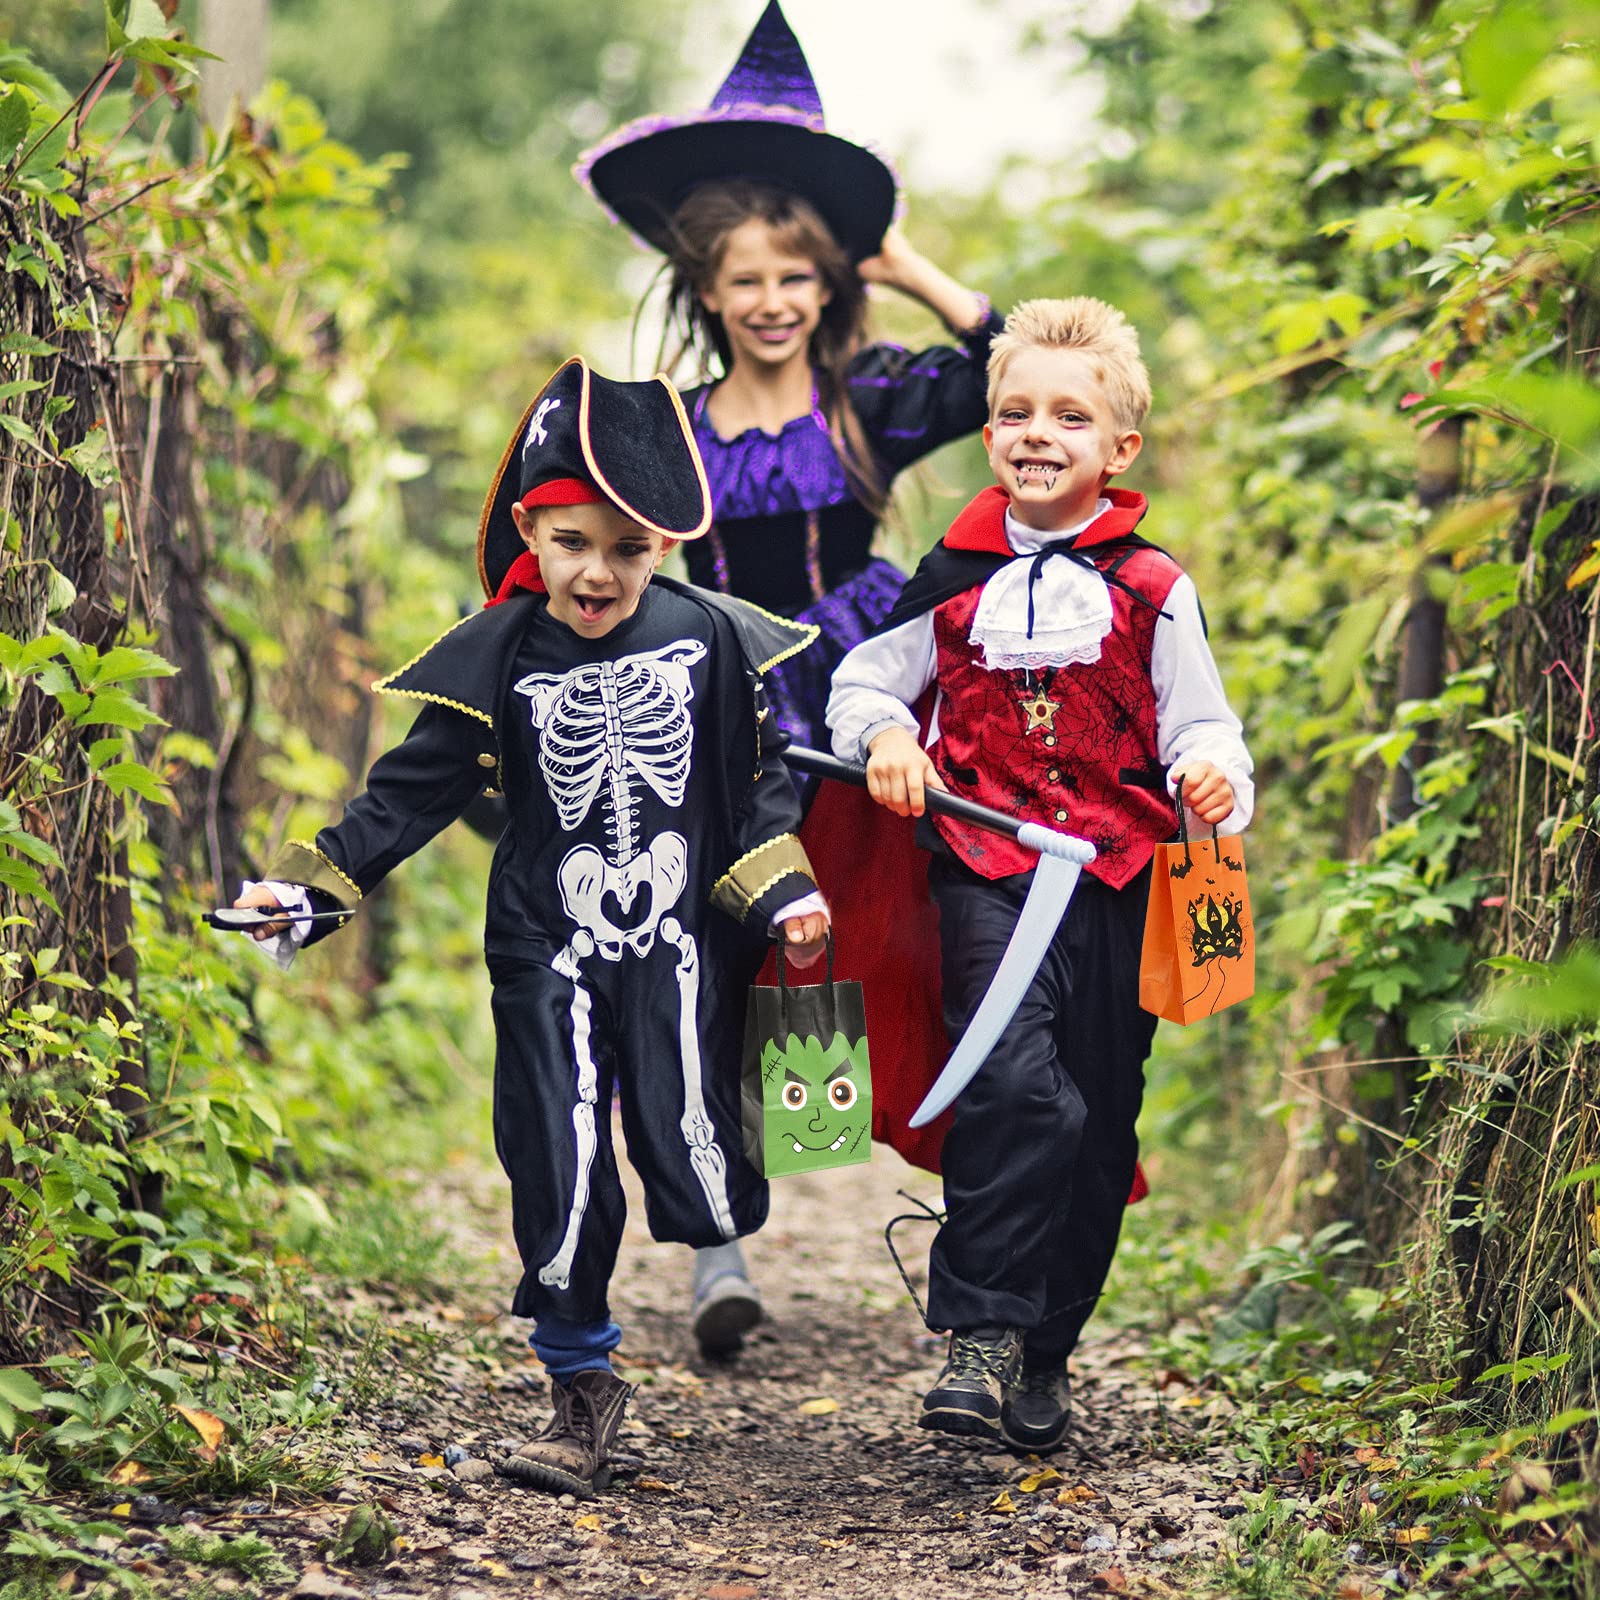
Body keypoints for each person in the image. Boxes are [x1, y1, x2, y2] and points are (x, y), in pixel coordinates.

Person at [232, 356, 829, 1496]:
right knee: (554, 1144)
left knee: (685, 1127)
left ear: (665, 546)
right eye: (570, 543)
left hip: (679, 933)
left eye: (627, 547)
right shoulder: (496, 655)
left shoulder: (711, 641)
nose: (596, 573)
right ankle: (580, 1382)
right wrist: (306, 892)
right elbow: (408, 793)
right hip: (543, 938)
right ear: (527, 530)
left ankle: (710, 1252)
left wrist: (786, 891)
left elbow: (757, 788)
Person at [579, 0, 999, 1352]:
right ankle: (716, 1245)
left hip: (863, 697)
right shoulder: (673, 429)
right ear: (707, 289)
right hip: (715, 713)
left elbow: (1014, 376)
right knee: (695, 958)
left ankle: (981, 1216)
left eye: (796, 278)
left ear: (829, 286)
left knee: (905, 954)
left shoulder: (870, 400)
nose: (771, 303)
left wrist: (911, 263)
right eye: (746, 280)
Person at [825, 298, 1254, 1453]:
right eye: (1014, 411)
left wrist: (1213, 778)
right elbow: (865, 683)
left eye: (1069, 414)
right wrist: (886, 737)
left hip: (1118, 883)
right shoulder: (953, 572)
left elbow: (1205, 729)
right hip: (986, 867)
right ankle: (975, 1334)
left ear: (1118, 447)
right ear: (988, 434)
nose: (1035, 431)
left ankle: (1045, 1352)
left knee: (1098, 1120)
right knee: (1015, 1088)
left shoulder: (1155, 585)